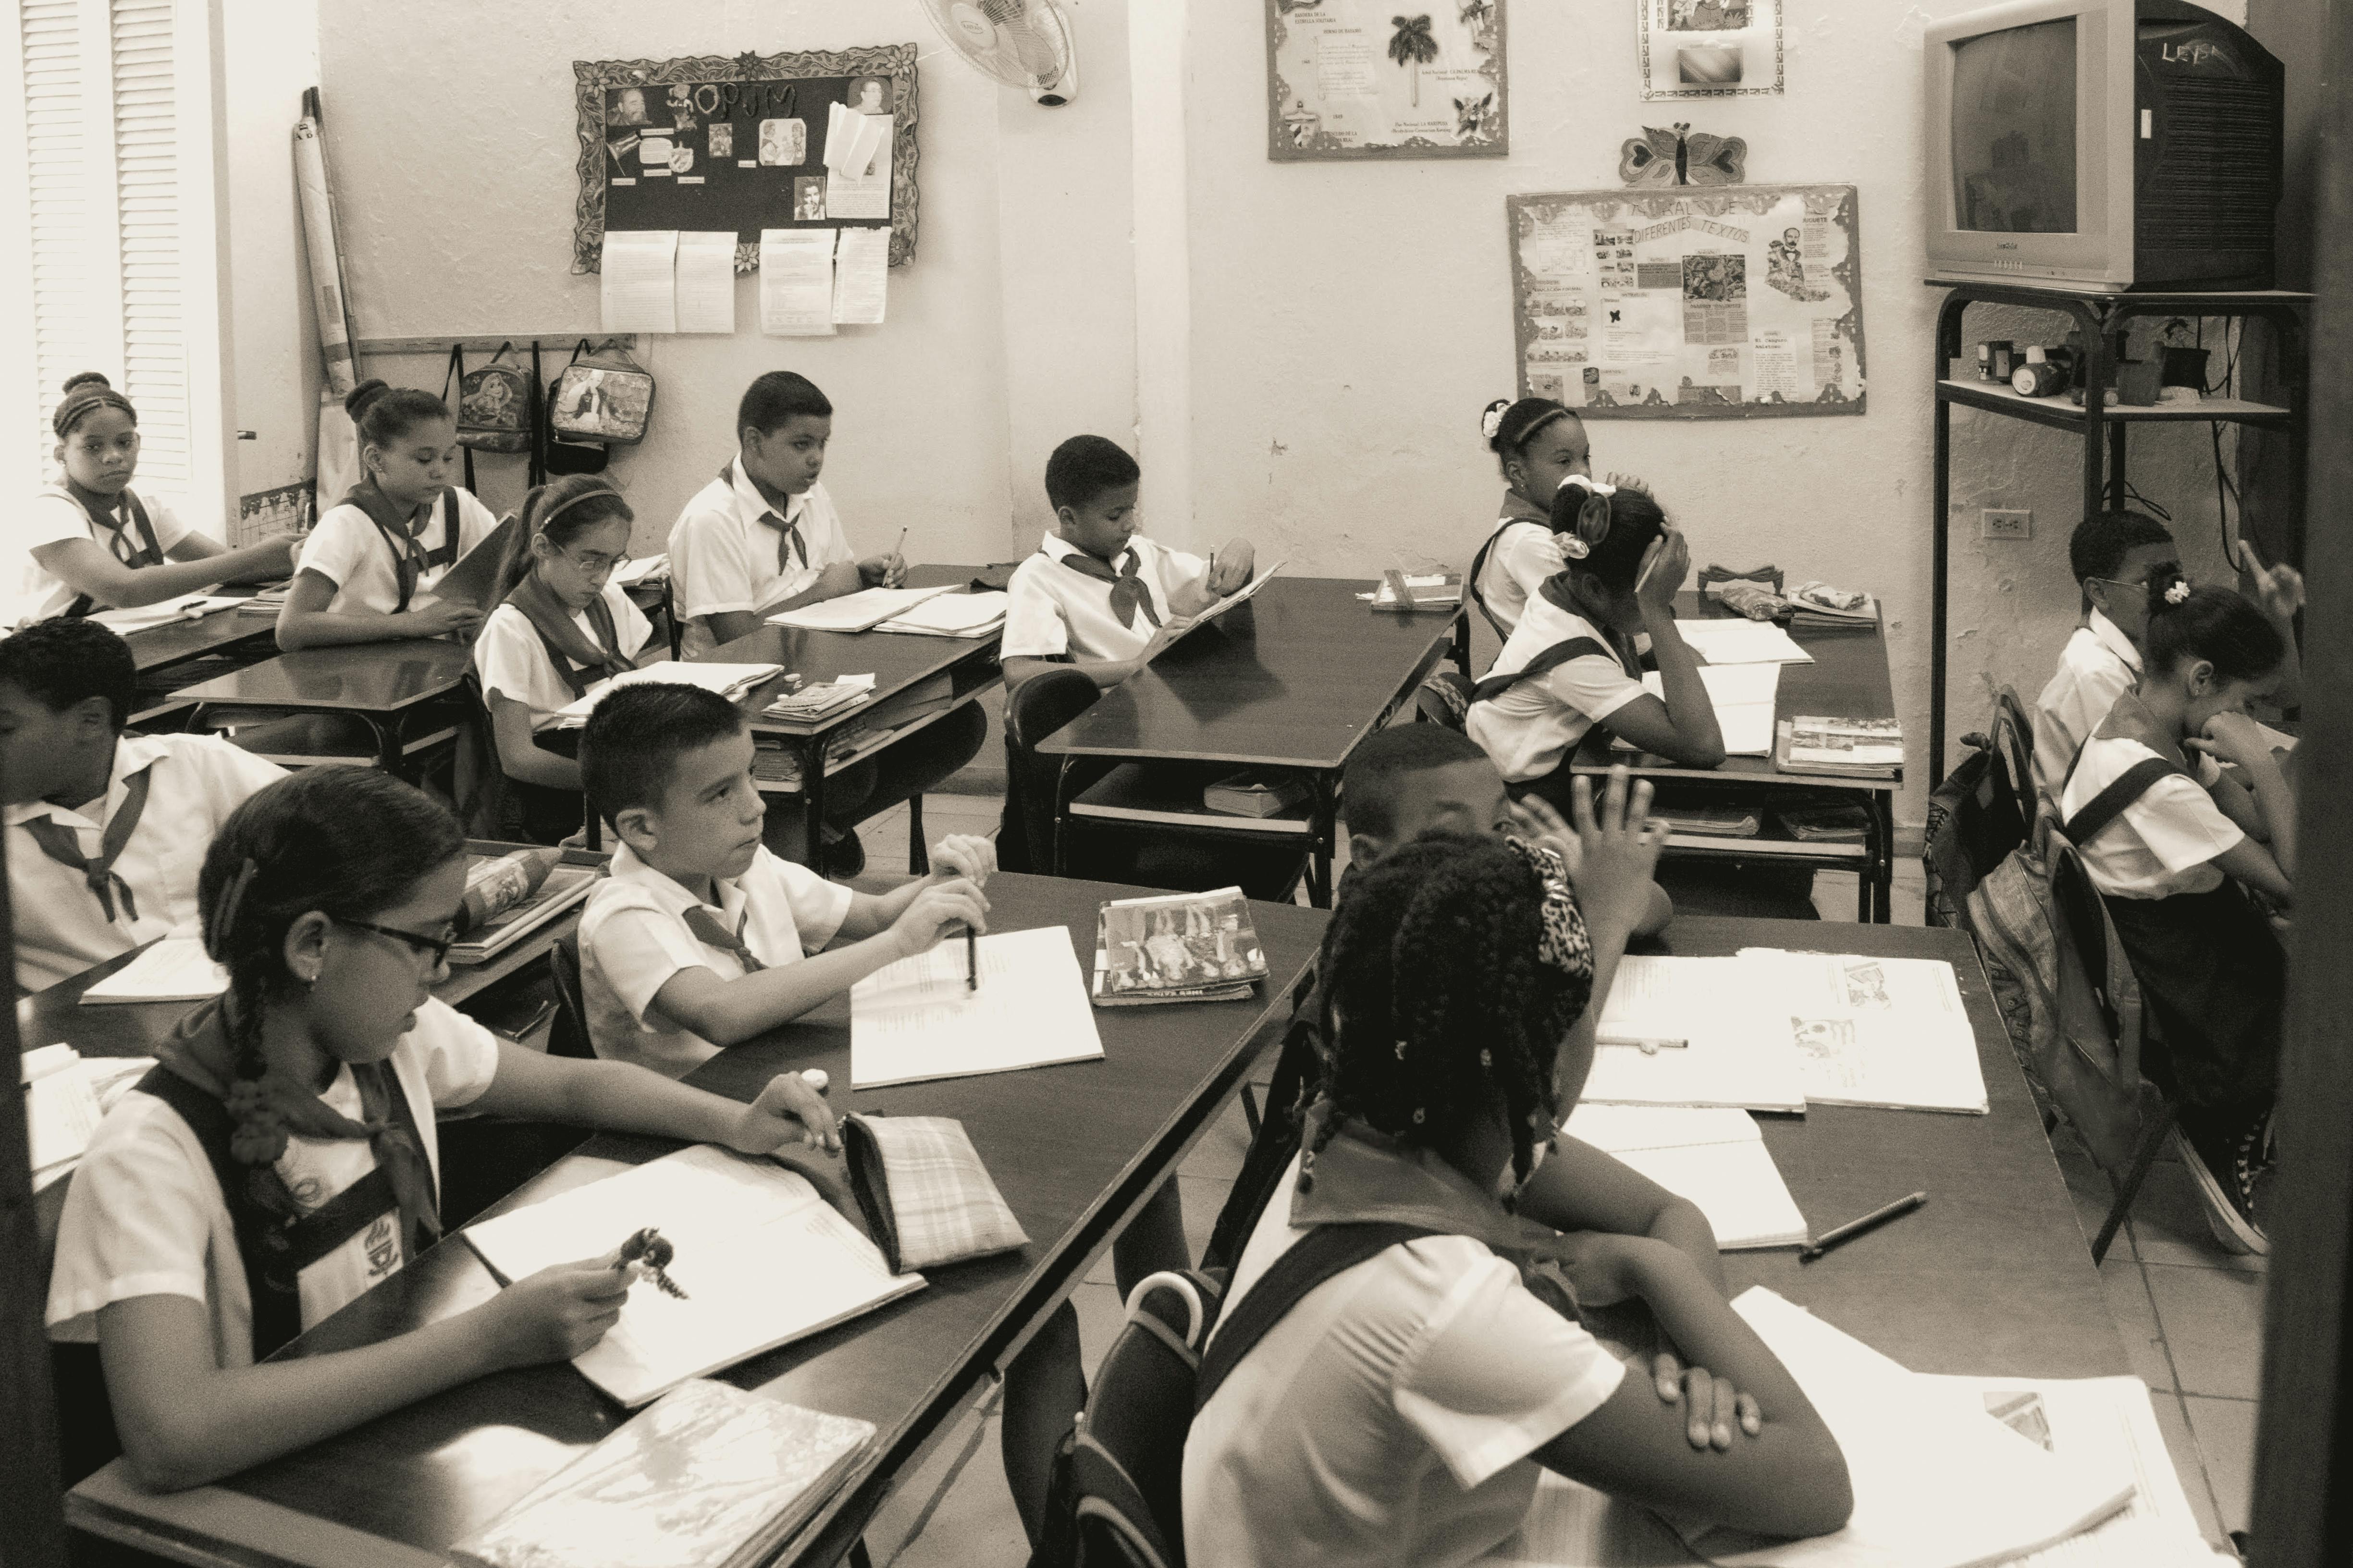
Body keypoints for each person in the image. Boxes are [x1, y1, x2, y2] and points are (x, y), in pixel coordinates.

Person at [43, 767, 844, 1492]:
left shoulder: (392, 1039)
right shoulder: (154, 1151)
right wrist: (485, 1338)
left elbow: (571, 1082)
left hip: (398, 1433)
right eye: (426, 939)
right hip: (263, 1497)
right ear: (312, 943)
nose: (442, 968)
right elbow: (172, 1433)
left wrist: (734, 1121)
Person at [1183, 817, 1851, 1566]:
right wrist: (1653, 1272)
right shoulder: (1443, 1311)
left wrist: (1684, 1358)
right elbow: (1821, 1485)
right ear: (1549, 1064)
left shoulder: (1376, 1119)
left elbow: (1668, 1212)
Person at [573, 683, 993, 1078]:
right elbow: (720, 1012)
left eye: (751, 776)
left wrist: (937, 882)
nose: (756, 806)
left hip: (784, 1075)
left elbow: (876, 915)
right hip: (703, 1120)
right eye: (721, 794)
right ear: (643, 829)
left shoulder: (744, 866)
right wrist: (897, 945)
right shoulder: (623, 914)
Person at [2057, 583, 2295, 1255]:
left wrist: (2241, 775)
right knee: (2312, 976)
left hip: (2178, 927)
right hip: (2178, 969)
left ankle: (2257, 1121)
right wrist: (2257, 762)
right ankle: (2222, 1132)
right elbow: (2292, 880)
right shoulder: (2157, 782)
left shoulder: (2147, 728)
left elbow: (2257, 829)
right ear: (2201, 679)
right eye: (2244, 704)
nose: (2248, 719)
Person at [668, 373, 972, 875]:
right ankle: (799, 839)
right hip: (743, 697)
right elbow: (741, 642)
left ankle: (821, 829)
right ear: (753, 442)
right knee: (852, 768)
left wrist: (868, 576)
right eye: (801, 445)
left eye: (823, 445)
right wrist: (824, 592)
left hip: (817, 667)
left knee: (955, 725)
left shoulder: (810, 497)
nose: (816, 459)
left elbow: (837, 580)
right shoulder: (712, 519)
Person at [1, 619, 285, 990]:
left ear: (91, 721)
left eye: (5, 730)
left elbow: (337, 833)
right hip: (77, 1030)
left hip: (225, 997)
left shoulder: (198, 766)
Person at [1466, 478, 1725, 812]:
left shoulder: (1570, 592)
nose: (1661, 602)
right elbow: (1704, 748)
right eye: (1653, 594)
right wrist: (1656, 610)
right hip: (1528, 799)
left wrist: (1650, 599)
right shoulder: (1569, 654)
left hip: (1569, 759)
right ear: (1593, 587)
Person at [12, 372, 296, 627]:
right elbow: (123, 589)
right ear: (61, 455)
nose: (113, 456)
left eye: (124, 442)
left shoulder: (142, 504)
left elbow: (226, 566)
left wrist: (313, 554)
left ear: (138, 442)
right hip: (49, 660)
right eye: (93, 447)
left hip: (121, 642)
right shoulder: (49, 513)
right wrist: (257, 555)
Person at [472, 477, 655, 844]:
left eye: (612, 562)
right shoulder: (511, 628)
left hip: (615, 765)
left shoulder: (610, 600)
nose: (601, 578)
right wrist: (610, 783)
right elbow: (517, 757)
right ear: (543, 548)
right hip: (561, 796)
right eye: (590, 561)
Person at [1000, 435, 1257, 691]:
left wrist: (1240, 549)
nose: (1130, 524)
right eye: (1114, 516)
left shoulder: (1138, 552)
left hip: (1172, 690)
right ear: (1069, 519)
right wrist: (1137, 665)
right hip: (1116, 713)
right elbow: (1019, 673)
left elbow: (1218, 584)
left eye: (1131, 509)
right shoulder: (1038, 577)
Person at [277, 380, 502, 650]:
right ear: (376, 460)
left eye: (448, 458)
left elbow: (506, 573)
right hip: (360, 671)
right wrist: (414, 624)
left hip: (437, 663)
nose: (439, 471)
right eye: (424, 459)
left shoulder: (458, 504)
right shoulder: (346, 523)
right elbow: (292, 629)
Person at [2030, 510, 2180, 797]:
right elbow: (2159, 780)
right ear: (2099, 593)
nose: (2170, 595)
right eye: (2150, 583)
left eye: (2175, 577)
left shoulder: (2142, 644)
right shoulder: (2096, 673)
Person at [1466, 396, 1592, 639]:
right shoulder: (1530, 540)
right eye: (1565, 461)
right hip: (1559, 670)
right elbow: (1601, 620)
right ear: (1519, 473)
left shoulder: (1553, 522)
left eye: (1585, 457)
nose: (1584, 472)